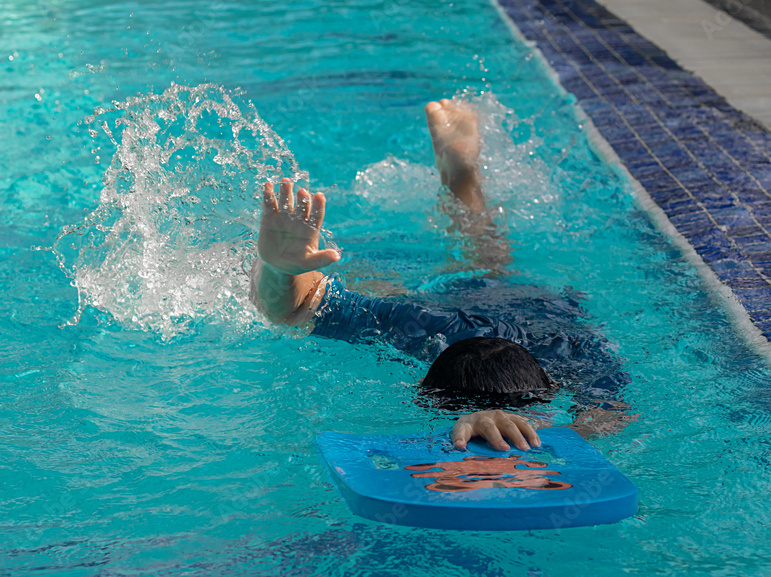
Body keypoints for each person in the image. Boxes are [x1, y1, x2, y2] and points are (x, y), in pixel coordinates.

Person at [250, 98, 633, 452]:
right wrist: (279, 269)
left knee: (484, 266)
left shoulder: (580, 353)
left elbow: (613, 418)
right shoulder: (418, 327)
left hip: (529, 312)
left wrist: (280, 274)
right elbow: (300, 305)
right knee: (481, 266)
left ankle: (461, 174)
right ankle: (462, 176)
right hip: (514, 309)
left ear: (421, 388)